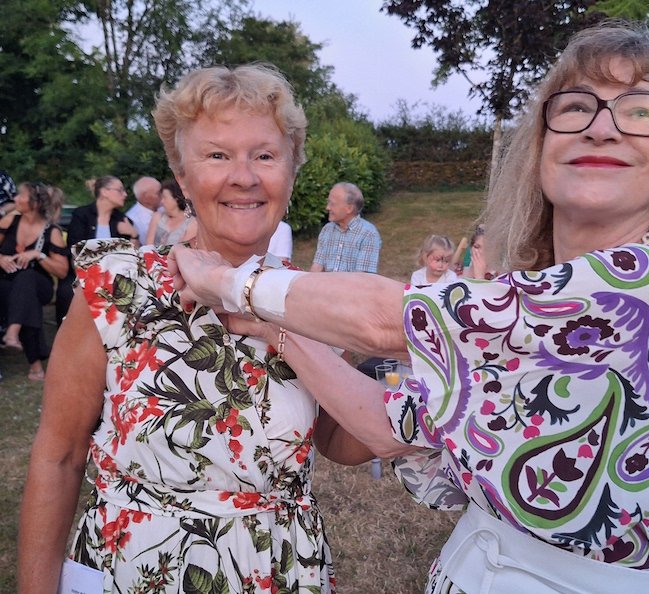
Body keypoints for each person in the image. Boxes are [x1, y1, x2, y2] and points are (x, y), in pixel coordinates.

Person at [168, 21, 649, 593]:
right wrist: (278, 331)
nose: (603, 128)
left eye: (641, 111)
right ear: (541, 151)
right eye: (575, 108)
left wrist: (224, 279)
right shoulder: (531, 308)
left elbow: (386, 320)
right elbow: (392, 429)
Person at [17, 63, 384, 594]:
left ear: (291, 173)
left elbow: (335, 437)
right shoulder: (117, 287)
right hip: (134, 568)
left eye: (264, 155)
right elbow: (59, 454)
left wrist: (408, 384)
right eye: (217, 155)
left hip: (276, 572)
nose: (244, 176)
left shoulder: (308, 300)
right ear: (183, 176)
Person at [0, 182, 69, 380]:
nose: (15, 199)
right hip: (8, 283)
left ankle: (12, 331)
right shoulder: (9, 222)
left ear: (35, 203)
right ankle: (35, 366)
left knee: (27, 279)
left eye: (21, 196)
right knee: (24, 298)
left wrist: (38, 255)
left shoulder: (52, 231)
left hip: (41, 285)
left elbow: (62, 272)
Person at [55, 176, 141, 325]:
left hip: (115, 276)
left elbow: (133, 256)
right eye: (120, 190)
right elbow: (75, 249)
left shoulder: (122, 220)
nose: (125, 194)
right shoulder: (82, 215)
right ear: (105, 192)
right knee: (67, 291)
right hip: (82, 273)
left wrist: (133, 234)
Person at [310, 182, 381, 273]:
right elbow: (317, 268)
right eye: (328, 203)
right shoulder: (327, 230)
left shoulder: (368, 234)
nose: (327, 207)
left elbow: (362, 278)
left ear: (349, 209)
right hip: (326, 286)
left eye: (332, 204)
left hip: (351, 286)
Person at [144, 178, 197, 246]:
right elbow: (148, 245)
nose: (162, 201)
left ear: (176, 199)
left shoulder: (191, 223)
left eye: (165, 197)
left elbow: (183, 249)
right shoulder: (157, 217)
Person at [126, 175, 162, 242]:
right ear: (145, 197)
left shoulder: (166, 207)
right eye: (158, 193)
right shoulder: (132, 220)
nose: (163, 195)